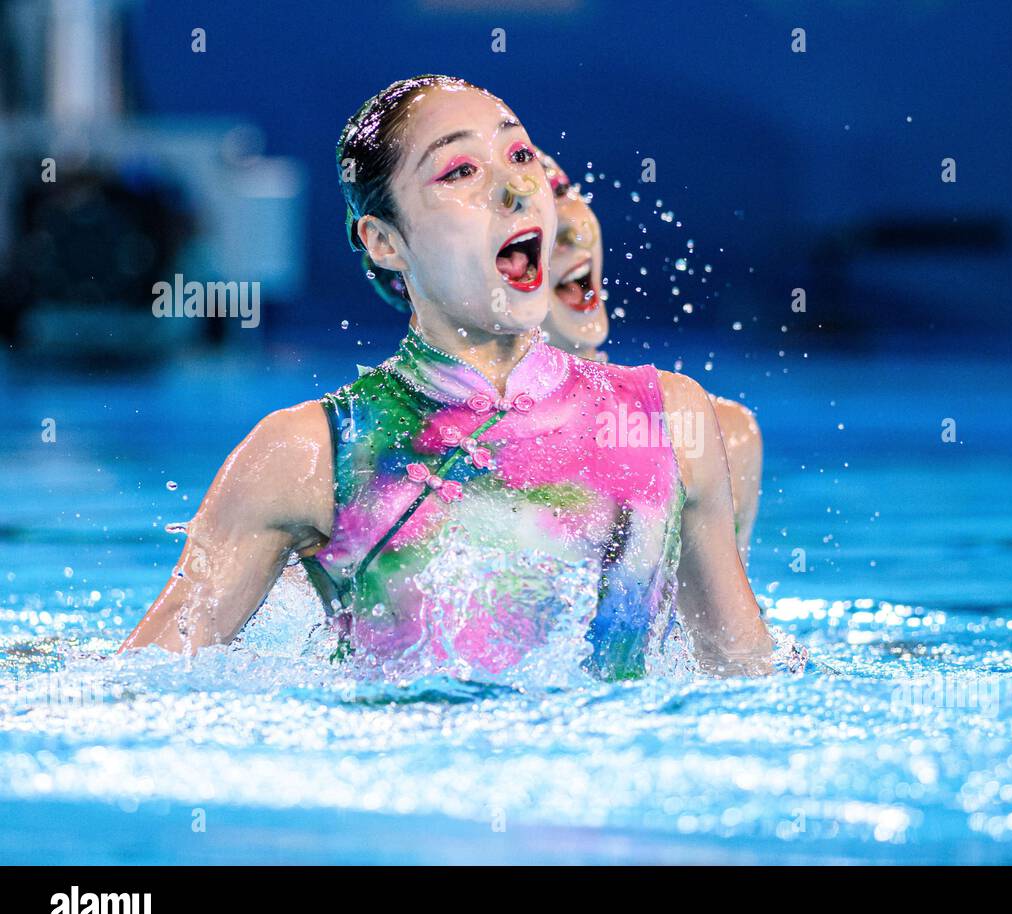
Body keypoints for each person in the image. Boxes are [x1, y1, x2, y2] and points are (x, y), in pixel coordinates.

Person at [120, 75, 774, 680]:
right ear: (383, 241)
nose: (515, 188)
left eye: (521, 157)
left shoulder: (668, 422)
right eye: (460, 170)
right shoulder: (307, 454)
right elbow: (143, 687)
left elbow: (746, 681)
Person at [538, 152, 764, 562]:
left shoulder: (714, 437)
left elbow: (726, 628)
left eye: (561, 191)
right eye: (528, 213)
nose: (569, 228)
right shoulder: (419, 460)